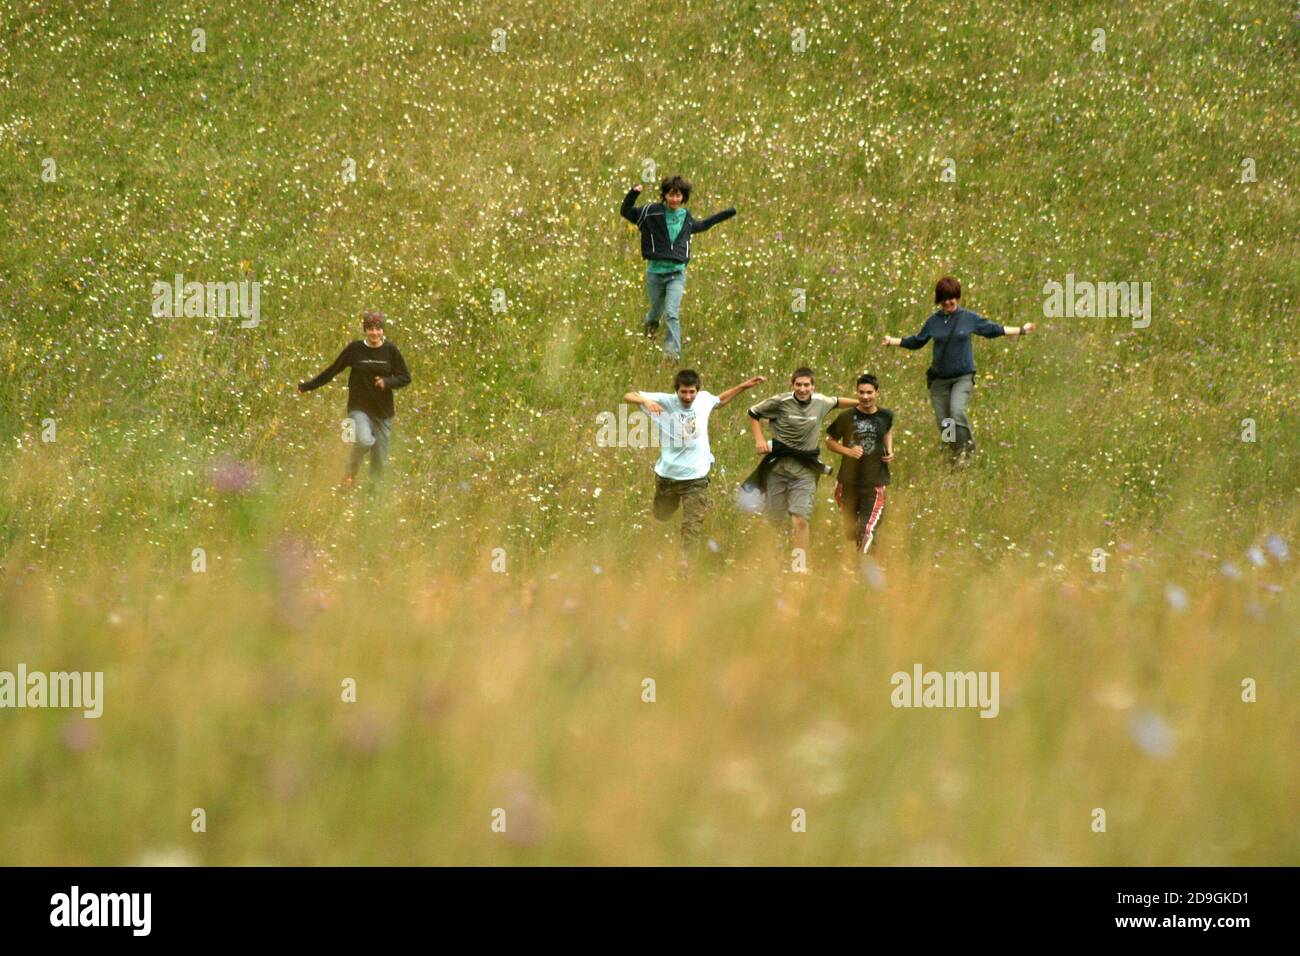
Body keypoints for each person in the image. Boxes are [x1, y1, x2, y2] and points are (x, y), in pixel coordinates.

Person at [882, 276, 1034, 461]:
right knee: (946, 423)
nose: (948, 302)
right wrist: (893, 342)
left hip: (962, 377)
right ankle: (952, 455)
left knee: (957, 413)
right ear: (939, 300)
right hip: (939, 380)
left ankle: (968, 452)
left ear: (958, 297)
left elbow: (994, 329)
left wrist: (1021, 330)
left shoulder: (969, 318)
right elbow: (917, 341)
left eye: (951, 297)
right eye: (944, 299)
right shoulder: (933, 322)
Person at [624, 369, 766, 556]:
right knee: (661, 516)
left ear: (697, 390)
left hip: (696, 477)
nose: (688, 396)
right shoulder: (665, 401)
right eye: (683, 392)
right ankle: (656, 544)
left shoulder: (704, 400)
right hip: (668, 475)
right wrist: (646, 401)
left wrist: (744, 385)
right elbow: (629, 395)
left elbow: (720, 401)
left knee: (692, 525)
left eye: (692, 392)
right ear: (677, 391)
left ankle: (686, 567)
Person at [744, 368, 857, 565]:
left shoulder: (821, 402)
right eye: (799, 385)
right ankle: (770, 561)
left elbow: (838, 401)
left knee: (800, 521)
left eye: (807, 385)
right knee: (774, 521)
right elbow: (753, 413)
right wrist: (759, 439)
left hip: (805, 471)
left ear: (813, 386)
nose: (803, 389)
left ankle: (799, 566)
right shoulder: (781, 402)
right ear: (792, 385)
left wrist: (863, 403)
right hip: (778, 469)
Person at [620, 175, 736, 362]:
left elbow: (704, 224)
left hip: (676, 273)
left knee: (672, 313)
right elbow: (625, 211)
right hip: (655, 273)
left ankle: (671, 356)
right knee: (656, 312)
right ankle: (649, 331)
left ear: (683, 197)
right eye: (671, 195)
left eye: (679, 196)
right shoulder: (650, 213)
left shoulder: (686, 217)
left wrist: (726, 213)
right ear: (664, 195)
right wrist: (633, 193)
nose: (675, 199)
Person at [298, 310, 411, 485]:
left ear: (383, 331)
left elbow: (405, 377)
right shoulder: (355, 349)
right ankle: (349, 474)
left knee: (380, 463)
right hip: (359, 408)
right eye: (370, 329)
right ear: (365, 330)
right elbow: (333, 369)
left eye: (378, 329)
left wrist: (387, 382)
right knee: (364, 441)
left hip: (384, 412)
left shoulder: (391, 350)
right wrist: (308, 386)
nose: (374, 333)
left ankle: (373, 502)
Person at [824, 374, 894, 556]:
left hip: (874, 483)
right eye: (861, 392)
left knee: (867, 528)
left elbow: (888, 430)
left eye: (869, 392)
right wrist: (848, 451)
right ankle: (864, 553)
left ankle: (863, 567)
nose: (865, 397)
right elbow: (829, 441)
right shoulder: (847, 417)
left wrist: (890, 450)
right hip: (848, 483)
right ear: (857, 392)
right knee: (850, 530)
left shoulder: (886, 415)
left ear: (877, 393)